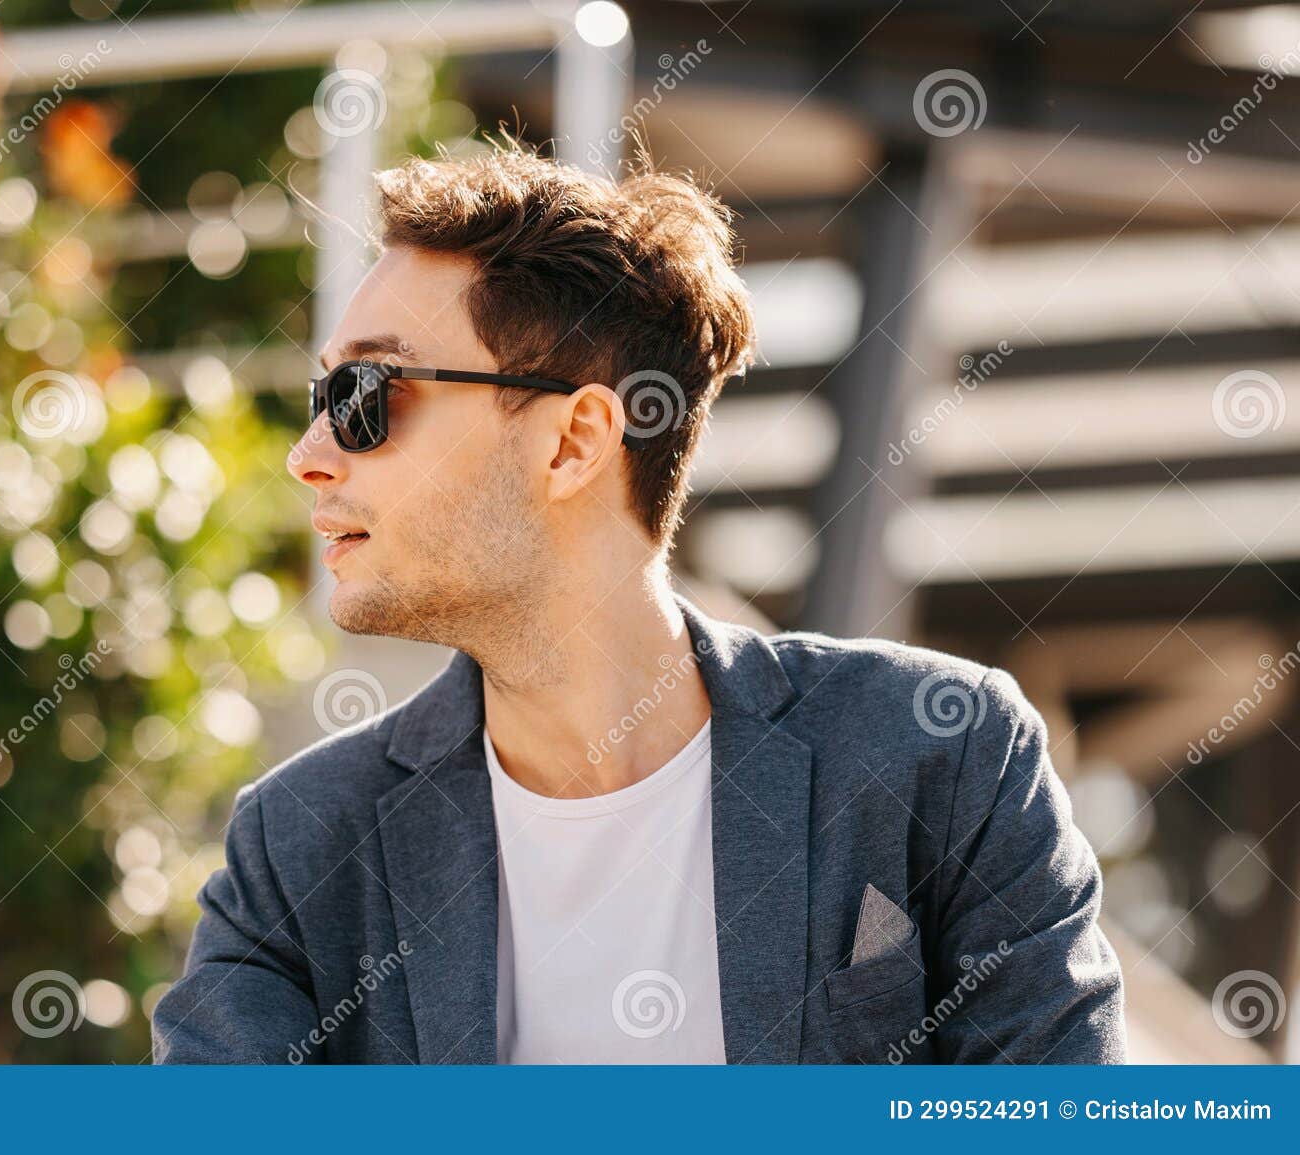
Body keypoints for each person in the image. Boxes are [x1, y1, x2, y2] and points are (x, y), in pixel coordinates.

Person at [151, 141, 1125, 1065]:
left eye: (362, 393)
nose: (309, 453)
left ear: (574, 441)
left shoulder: (938, 756)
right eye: (320, 397)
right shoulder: (301, 846)